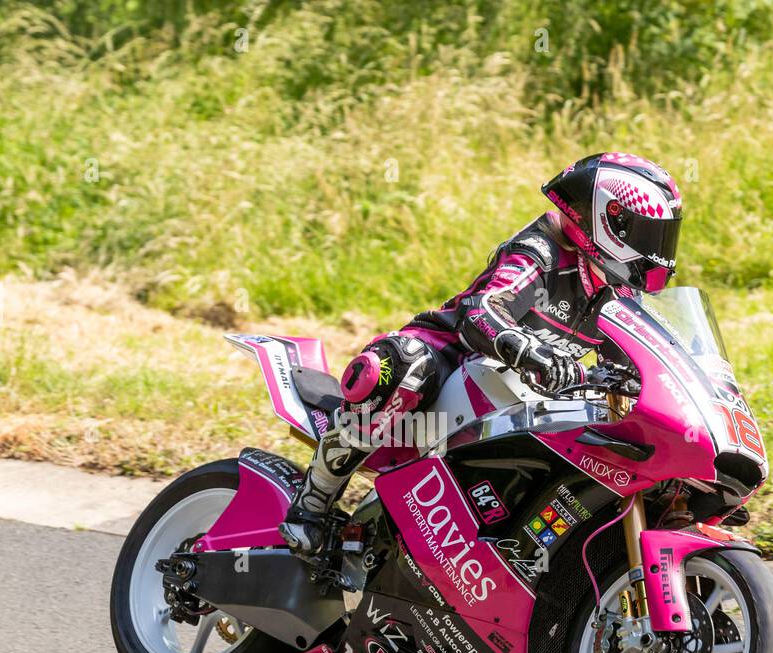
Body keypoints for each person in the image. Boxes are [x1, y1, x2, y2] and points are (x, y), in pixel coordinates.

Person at [279, 151, 684, 554]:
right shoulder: (542, 252)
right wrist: (531, 352)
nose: (658, 251)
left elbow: (637, 366)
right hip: (451, 364)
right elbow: (484, 310)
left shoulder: (620, 292)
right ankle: (312, 504)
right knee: (399, 364)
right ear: (609, 220)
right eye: (650, 235)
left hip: (526, 399)